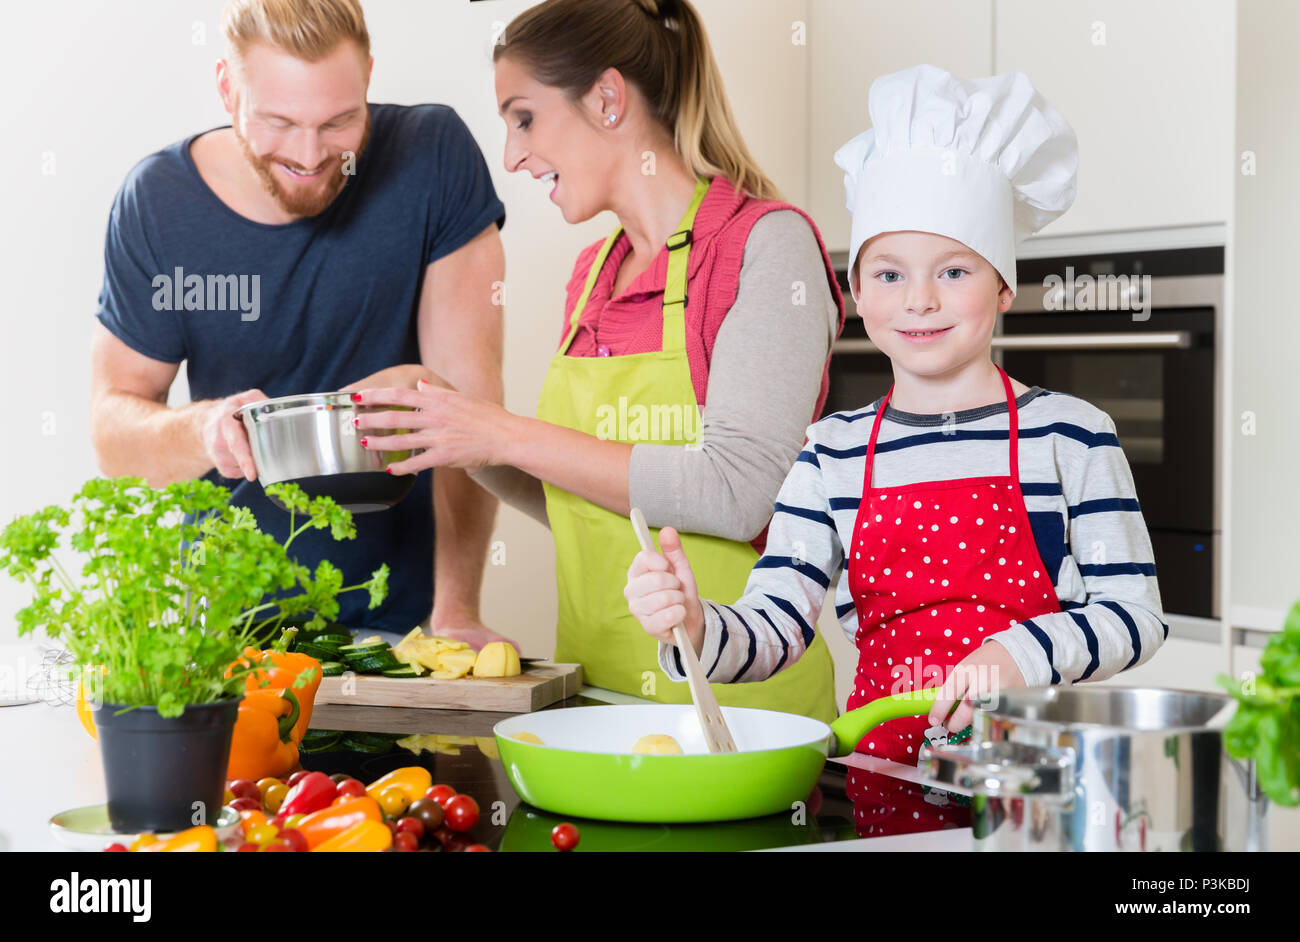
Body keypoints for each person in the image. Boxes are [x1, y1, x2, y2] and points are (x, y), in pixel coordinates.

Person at [625, 64, 1168, 776]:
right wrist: (695, 626)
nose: (919, 301)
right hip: (883, 783)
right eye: (889, 274)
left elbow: (1135, 615)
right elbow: (777, 627)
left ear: (1002, 285)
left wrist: (1020, 653)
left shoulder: (1072, 436)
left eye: (953, 272)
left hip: (1034, 793)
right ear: (855, 291)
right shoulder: (830, 454)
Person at [350, 0, 843, 722]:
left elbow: (742, 494)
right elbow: (583, 503)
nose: (512, 155)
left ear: (608, 99)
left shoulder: (765, 248)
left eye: (523, 117)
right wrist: (447, 422)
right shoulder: (594, 276)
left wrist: (503, 432)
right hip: (599, 704)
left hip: (744, 716)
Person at [89, 0, 508, 643]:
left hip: (401, 632)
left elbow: (472, 415)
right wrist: (204, 428)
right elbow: (114, 438)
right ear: (229, 89)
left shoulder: (433, 158)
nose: (311, 156)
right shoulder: (158, 204)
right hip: (226, 633)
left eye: (339, 121)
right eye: (279, 122)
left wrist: (457, 610)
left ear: (368, 76)